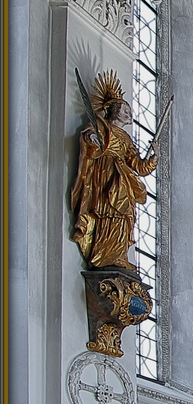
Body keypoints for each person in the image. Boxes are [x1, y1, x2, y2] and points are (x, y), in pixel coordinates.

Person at [70, 71, 157, 271]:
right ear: (115, 110)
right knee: (107, 210)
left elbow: (138, 166)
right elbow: (89, 137)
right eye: (125, 110)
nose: (129, 115)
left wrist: (153, 158)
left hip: (122, 178)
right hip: (105, 173)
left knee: (125, 213)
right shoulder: (102, 127)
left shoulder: (126, 139)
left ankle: (118, 255)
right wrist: (92, 140)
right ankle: (103, 253)